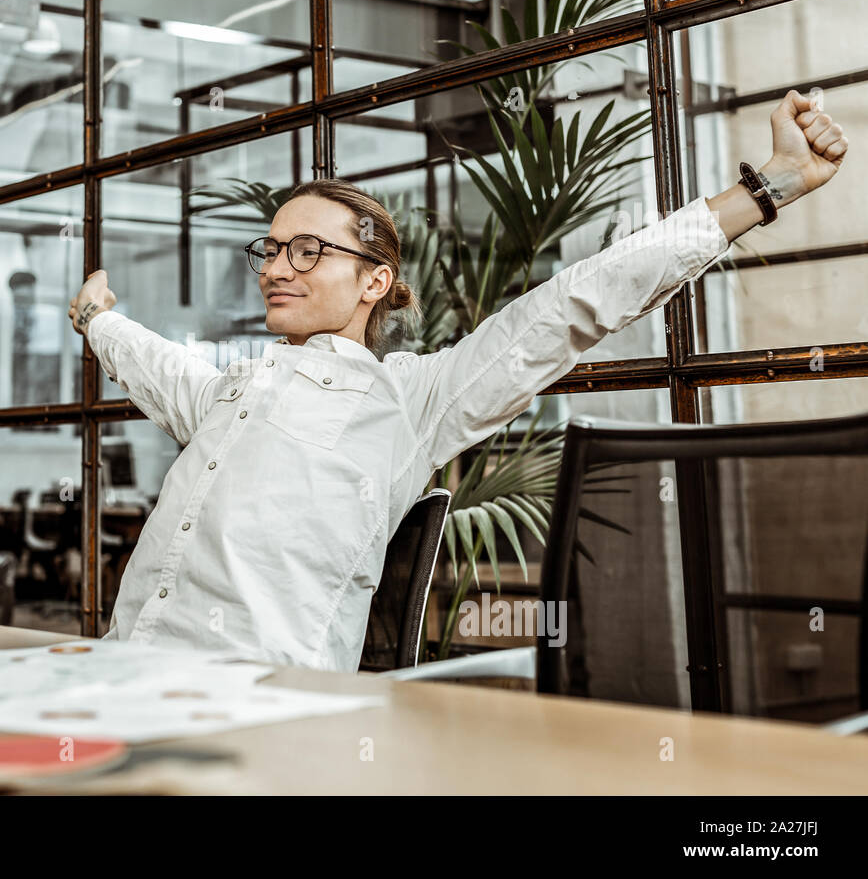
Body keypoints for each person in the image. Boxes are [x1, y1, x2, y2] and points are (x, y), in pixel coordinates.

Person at [67, 90, 848, 673]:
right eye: (269, 250)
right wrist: (98, 317)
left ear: (375, 282)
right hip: (121, 676)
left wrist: (768, 187)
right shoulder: (226, 394)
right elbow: (150, 359)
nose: (276, 268)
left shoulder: (410, 398)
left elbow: (580, 298)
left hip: (264, 710)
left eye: (307, 250)